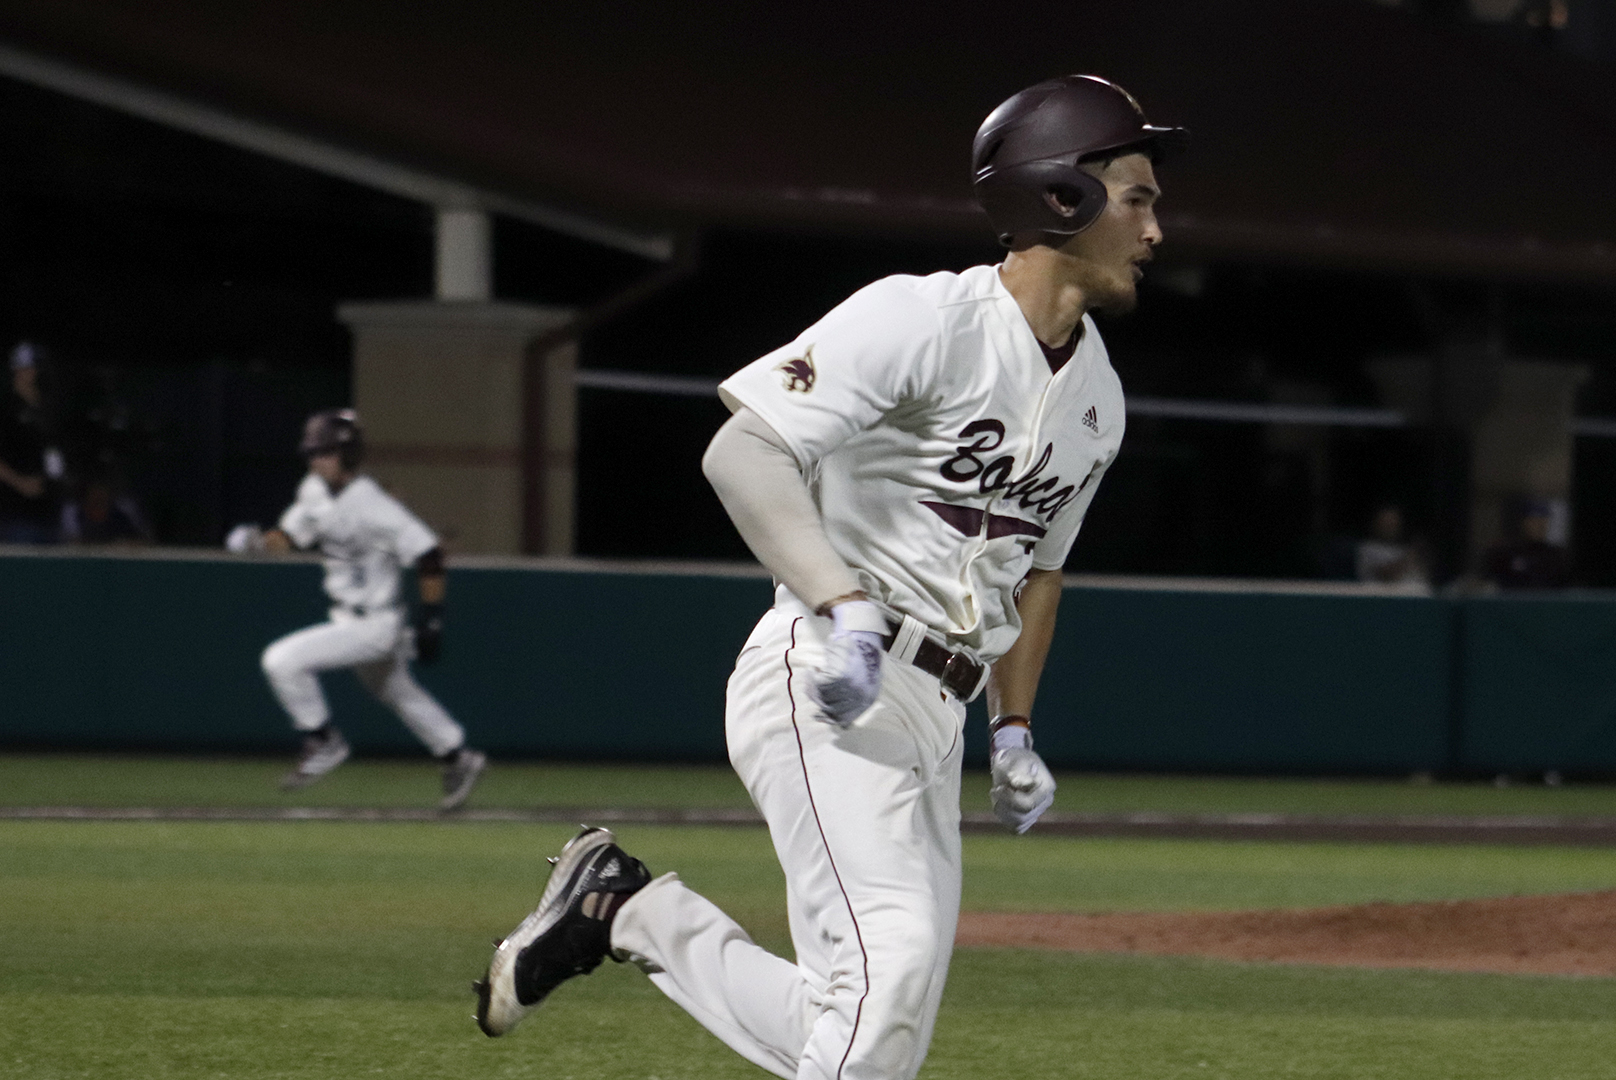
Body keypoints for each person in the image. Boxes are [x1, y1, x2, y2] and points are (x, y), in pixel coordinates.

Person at [474, 75, 1178, 1080]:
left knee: (866, 1011)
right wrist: (841, 605)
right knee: (886, 978)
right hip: (831, 677)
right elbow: (742, 453)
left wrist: (1013, 729)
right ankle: (624, 910)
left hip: (938, 711)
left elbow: (1038, 577)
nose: (1157, 228)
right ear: (1062, 195)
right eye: (1139, 197)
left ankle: (625, 911)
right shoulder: (921, 318)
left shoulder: (1099, 395)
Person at [237, 409, 485, 809]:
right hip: (347, 616)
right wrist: (260, 545)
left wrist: (432, 617)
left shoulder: (373, 504)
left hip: (375, 623)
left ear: (348, 454)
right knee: (395, 690)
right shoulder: (314, 490)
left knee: (281, 660)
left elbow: (429, 554)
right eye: (312, 453)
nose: (316, 460)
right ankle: (457, 755)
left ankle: (322, 740)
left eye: (325, 452)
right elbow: (289, 536)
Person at [0, 342, 62, 544]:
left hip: (50, 509)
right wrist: (20, 482)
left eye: (35, 367)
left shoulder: (47, 406)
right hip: (17, 512)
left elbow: (54, 453)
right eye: (25, 367)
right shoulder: (7, 407)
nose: (31, 372)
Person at [1481, 497, 1571, 589]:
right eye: (1533, 521)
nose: (1539, 526)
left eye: (1543, 521)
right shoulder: (1505, 553)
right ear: (1523, 522)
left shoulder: (1555, 556)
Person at [1355, 503, 1429, 590]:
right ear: (1377, 524)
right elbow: (1387, 576)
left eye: (1393, 522)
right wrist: (1411, 554)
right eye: (1386, 523)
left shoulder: (1403, 549)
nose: (1390, 526)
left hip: (1418, 597)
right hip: (1383, 599)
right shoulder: (1368, 549)